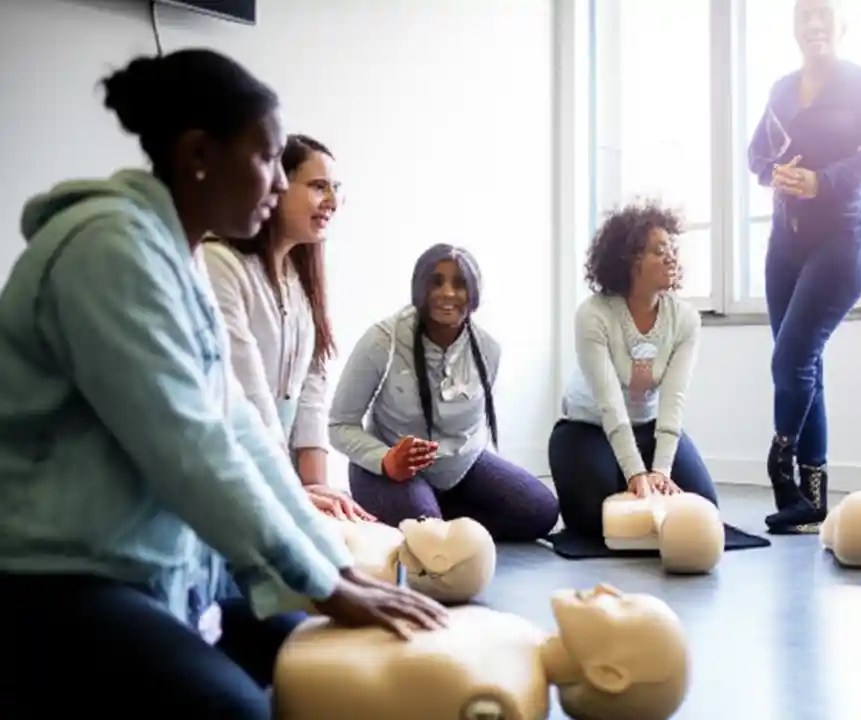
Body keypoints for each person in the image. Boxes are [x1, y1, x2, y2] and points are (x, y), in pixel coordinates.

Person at [0, 50, 448, 718]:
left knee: (332, 663)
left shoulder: (173, 256)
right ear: (198, 155)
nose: (279, 182)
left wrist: (335, 569)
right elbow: (192, 450)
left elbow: (244, 434)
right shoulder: (107, 251)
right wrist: (322, 583)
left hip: (157, 569)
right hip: (58, 580)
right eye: (267, 158)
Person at [747, 0, 861, 533]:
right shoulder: (782, 90)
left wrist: (822, 181)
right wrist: (776, 173)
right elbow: (756, 155)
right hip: (785, 239)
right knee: (804, 363)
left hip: (841, 235)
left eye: (822, 15)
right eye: (803, 17)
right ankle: (811, 501)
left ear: (841, 25)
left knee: (792, 359)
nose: (812, 25)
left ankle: (780, 459)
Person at [328, 243, 559, 541]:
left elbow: (474, 428)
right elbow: (340, 425)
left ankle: (435, 515)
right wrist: (386, 459)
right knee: (431, 535)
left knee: (541, 511)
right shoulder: (382, 341)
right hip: (388, 468)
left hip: (460, 467)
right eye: (435, 282)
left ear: (474, 293)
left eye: (459, 284)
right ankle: (426, 515)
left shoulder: (488, 348)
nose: (448, 293)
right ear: (419, 288)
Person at [203, 133, 373, 522]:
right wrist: (289, 492)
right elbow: (248, 397)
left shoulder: (299, 281)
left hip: (275, 473)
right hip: (229, 470)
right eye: (318, 186)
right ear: (275, 185)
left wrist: (316, 485)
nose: (332, 201)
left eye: (336, 188)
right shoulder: (221, 265)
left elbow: (312, 387)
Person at [548, 200, 717, 539]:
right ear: (628, 260)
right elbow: (609, 404)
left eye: (672, 248)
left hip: (648, 428)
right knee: (594, 521)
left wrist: (661, 471)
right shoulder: (593, 314)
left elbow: (673, 400)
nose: (671, 257)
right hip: (587, 428)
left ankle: (629, 479)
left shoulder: (684, 318)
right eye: (659, 250)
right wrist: (636, 473)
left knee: (703, 508)